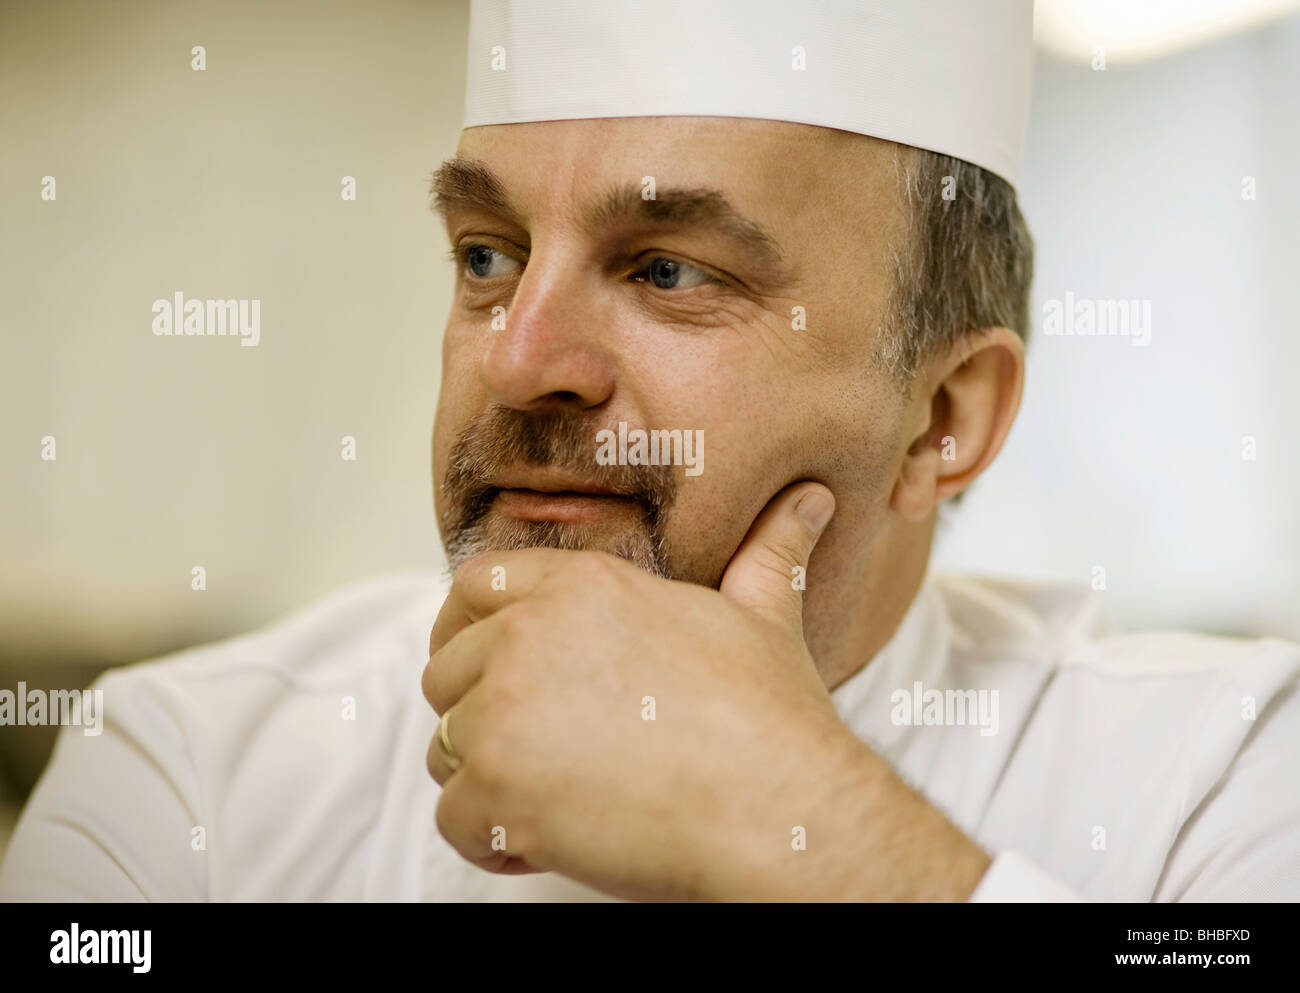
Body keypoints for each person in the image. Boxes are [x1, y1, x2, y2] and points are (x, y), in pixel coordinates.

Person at [3, 0, 1297, 902]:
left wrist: (801, 827)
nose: (518, 356)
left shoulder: (1219, 772)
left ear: (945, 417)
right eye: (487, 257)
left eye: (667, 268)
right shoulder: (189, 775)